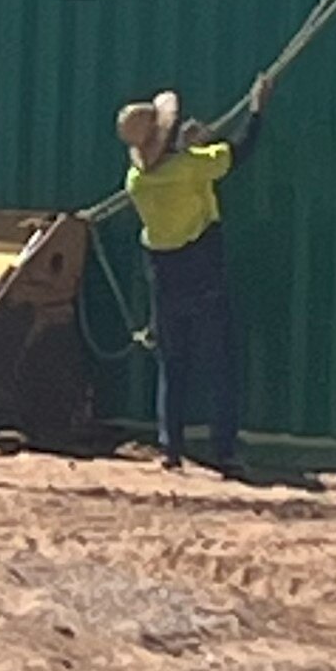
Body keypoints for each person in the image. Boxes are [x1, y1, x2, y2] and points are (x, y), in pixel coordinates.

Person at [116, 87, 257, 478]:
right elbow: (240, 150)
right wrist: (257, 110)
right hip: (203, 270)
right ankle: (224, 450)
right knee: (221, 362)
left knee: (173, 365)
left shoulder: (136, 181)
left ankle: (171, 447)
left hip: (164, 276)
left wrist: (185, 144)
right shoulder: (191, 166)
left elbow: (166, 162)